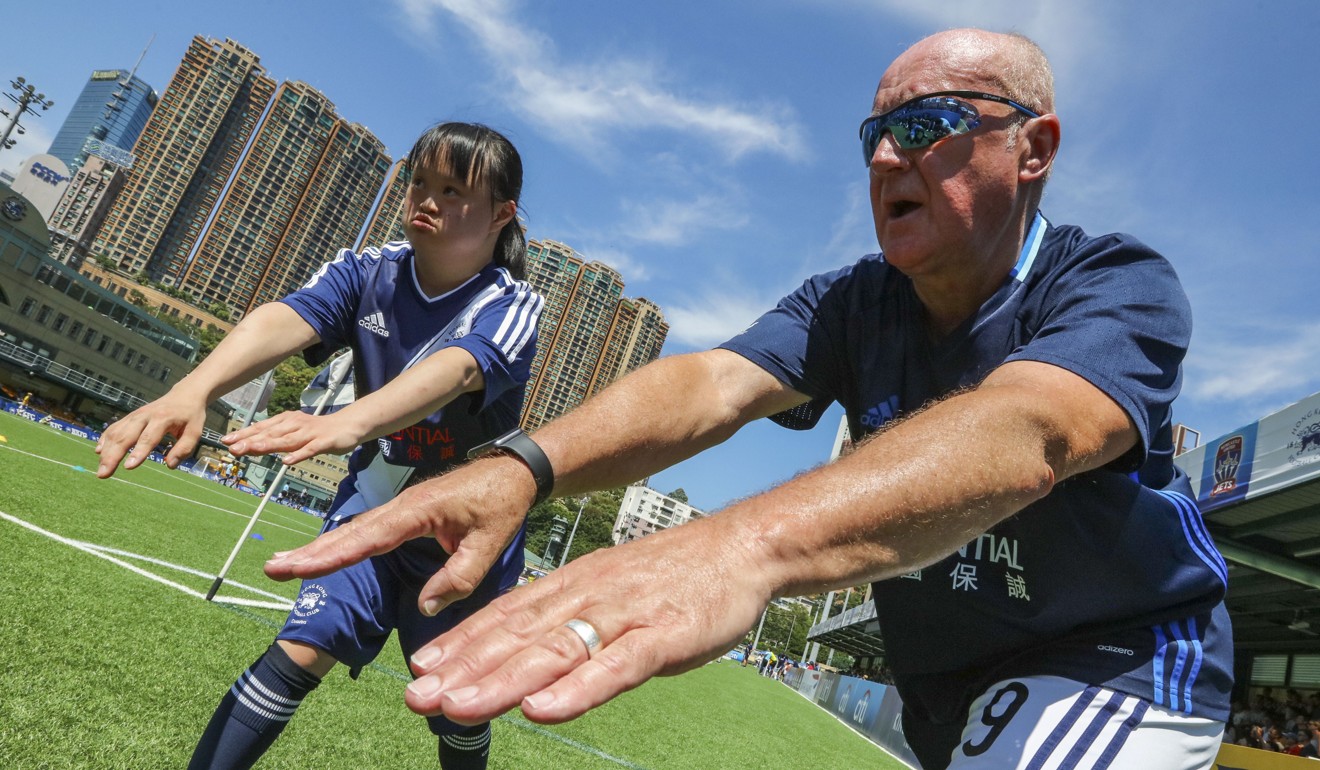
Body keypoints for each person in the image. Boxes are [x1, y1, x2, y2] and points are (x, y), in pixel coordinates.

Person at [264, 29, 1233, 770]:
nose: (888, 159)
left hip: (1122, 657)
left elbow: (1035, 429)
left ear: (1034, 147)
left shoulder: (1114, 283)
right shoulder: (856, 301)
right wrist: (523, 467)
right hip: (947, 683)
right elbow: (713, 382)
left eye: (928, 125)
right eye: (874, 137)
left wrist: (736, 547)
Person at [95, 122, 543, 770]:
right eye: (419, 180)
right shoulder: (370, 270)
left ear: (502, 215)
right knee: (300, 649)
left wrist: (354, 420)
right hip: (371, 514)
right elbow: (286, 316)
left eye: (453, 189)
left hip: (463, 544)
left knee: (457, 710)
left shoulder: (513, 303)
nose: (427, 197)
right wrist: (189, 390)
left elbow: (459, 369)